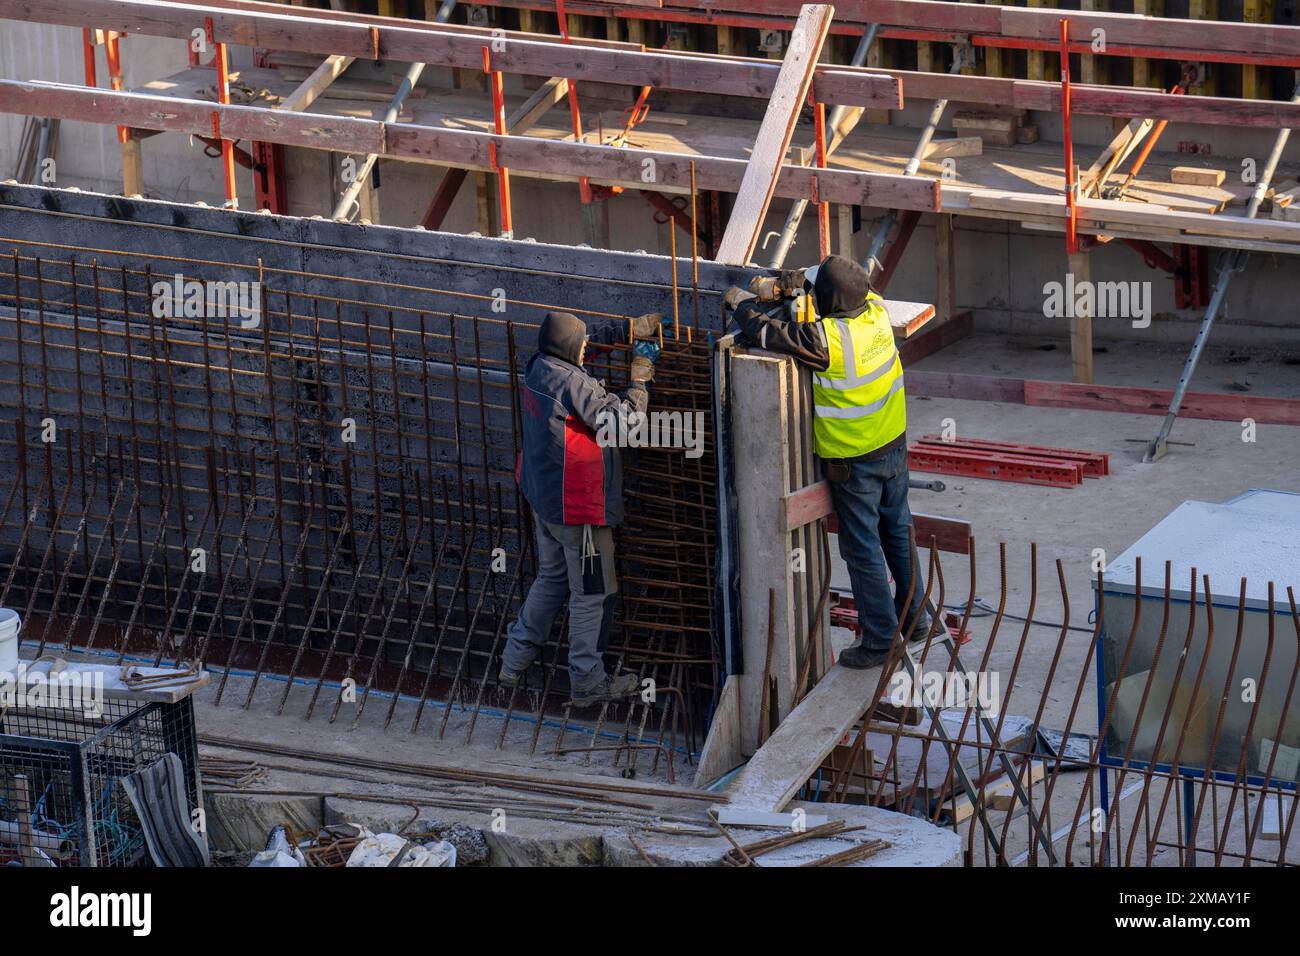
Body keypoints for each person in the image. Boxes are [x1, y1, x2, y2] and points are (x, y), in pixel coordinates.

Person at [726, 254, 932, 670]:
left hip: (854, 462)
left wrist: (742, 304)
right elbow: (836, 280)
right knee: (897, 531)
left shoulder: (828, 341)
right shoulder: (875, 309)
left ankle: (879, 640)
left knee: (862, 549)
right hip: (893, 447)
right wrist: (788, 283)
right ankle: (916, 617)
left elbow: (768, 335)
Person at [500, 309, 663, 705]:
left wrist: (626, 329)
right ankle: (588, 683)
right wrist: (639, 381)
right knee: (591, 593)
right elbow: (627, 425)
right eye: (584, 344)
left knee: (553, 578)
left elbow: (577, 346)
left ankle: (513, 663)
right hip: (578, 510)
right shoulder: (576, 385)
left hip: (545, 499)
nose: (587, 348)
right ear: (571, 348)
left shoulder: (538, 365)